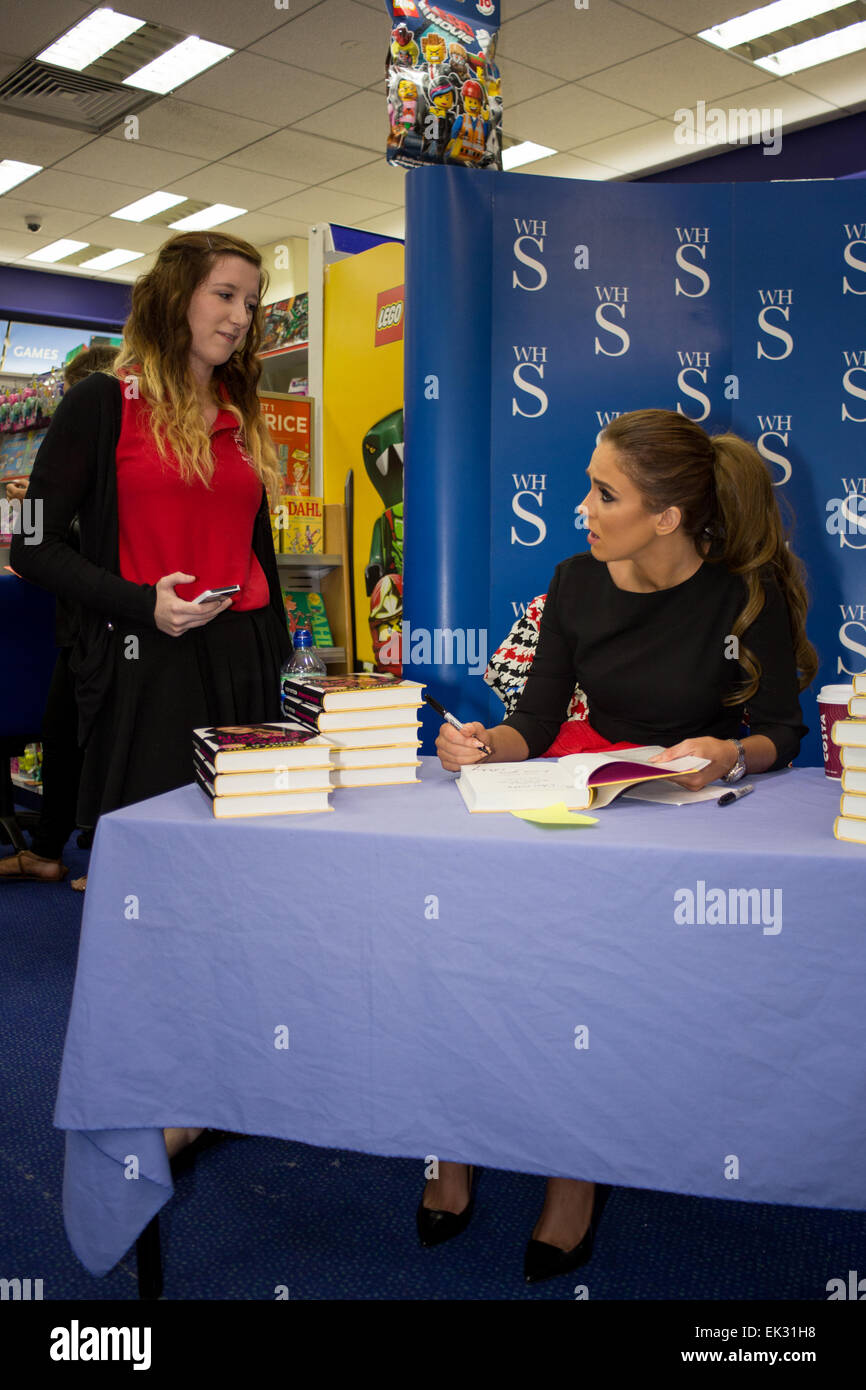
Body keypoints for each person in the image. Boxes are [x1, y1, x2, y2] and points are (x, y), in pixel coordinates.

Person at [430, 408, 817, 1283]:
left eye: (605, 494)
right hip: (584, 797)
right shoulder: (574, 582)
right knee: (470, 944)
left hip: (690, 822)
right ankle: (446, 1146)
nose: (584, 508)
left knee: (586, 980)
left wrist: (729, 752)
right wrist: (482, 744)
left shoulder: (743, 593)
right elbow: (532, 722)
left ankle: (574, 1180)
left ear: (668, 517)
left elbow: (782, 734)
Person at [11, 231, 291, 1158]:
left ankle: (228, 1069)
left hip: (244, 664)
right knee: (157, 888)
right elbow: (33, 546)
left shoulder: (236, 403)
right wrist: (142, 605)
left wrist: (283, 659)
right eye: (224, 295)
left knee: (240, 880)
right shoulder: (103, 402)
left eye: (250, 302)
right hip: (151, 663)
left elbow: (256, 551)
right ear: (175, 298)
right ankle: (161, 1082)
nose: (240, 318)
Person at [1, 346, 119, 888]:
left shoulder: (114, 442)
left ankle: (110, 858)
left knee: (102, 739)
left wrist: (41, 518)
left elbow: (90, 548)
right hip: (86, 623)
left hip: (110, 621)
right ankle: (50, 848)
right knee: (64, 730)